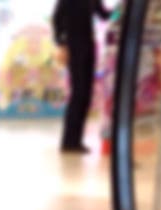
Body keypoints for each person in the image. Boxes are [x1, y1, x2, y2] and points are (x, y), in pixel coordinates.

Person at [52, 0, 111, 154]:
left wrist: (122, 10)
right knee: (78, 93)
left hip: (89, 45)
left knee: (86, 94)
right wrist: (61, 42)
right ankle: (69, 141)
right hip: (74, 45)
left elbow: (104, 15)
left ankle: (76, 140)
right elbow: (57, 19)